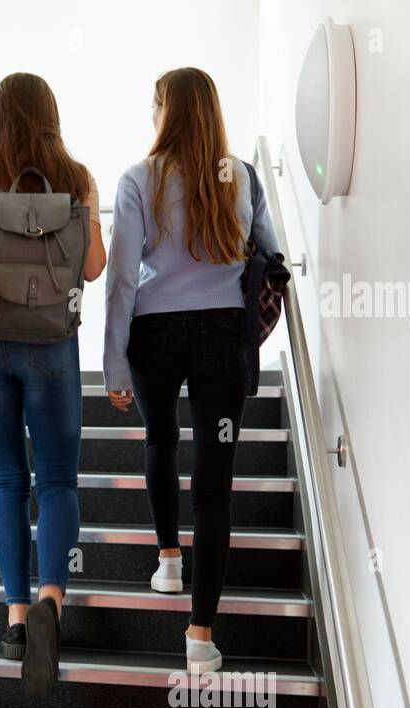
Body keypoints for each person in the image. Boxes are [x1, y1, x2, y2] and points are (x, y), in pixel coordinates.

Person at [103, 67, 278, 674]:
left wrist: (113, 364)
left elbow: (122, 279)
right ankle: (200, 637)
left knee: (159, 438)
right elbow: (270, 252)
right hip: (221, 337)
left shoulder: (137, 179)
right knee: (213, 487)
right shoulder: (242, 176)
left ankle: (169, 559)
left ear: (163, 111)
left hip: (153, 335)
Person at [0, 72, 106, 695]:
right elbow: (92, 267)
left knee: (9, 481)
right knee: (59, 480)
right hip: (54, 349)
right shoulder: (78, 176)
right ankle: (50, 602)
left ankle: (15, 618)